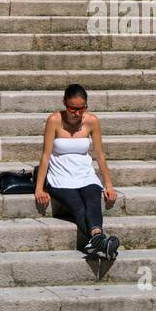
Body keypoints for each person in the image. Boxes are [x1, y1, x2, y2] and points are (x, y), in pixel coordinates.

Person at [34, 83, 120, 261]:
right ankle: (99, 240)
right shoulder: (54, 120)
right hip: (60, 177)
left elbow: (100, 154)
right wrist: (39, 188)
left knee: (93, 198)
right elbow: (45, 155)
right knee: (77, 205)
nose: (77, 113)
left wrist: (109, 185)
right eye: (73, 108)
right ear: (64, 103)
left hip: (85, 174)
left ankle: (96, 237)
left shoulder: (92, 121)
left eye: (82, 108)